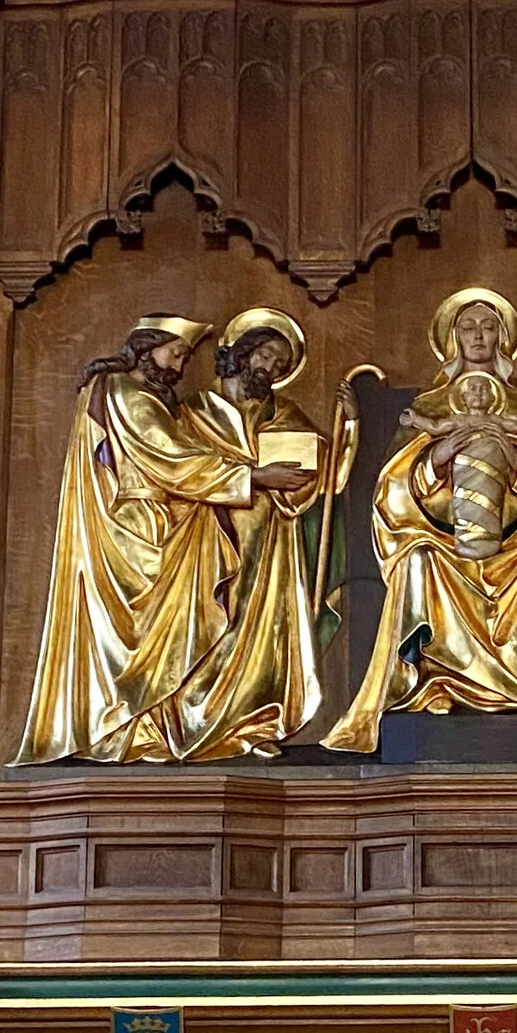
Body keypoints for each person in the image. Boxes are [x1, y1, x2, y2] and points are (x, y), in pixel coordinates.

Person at [19, 315, 310, 762]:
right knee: (149, 630)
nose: (178, 364)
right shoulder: (130, 396)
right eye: (175, 353)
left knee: (171, 631)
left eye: (185, 357)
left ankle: (155, 727)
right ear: (146, 346)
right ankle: (133, 730)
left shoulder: (140, 395)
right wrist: (254, 476)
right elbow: (175, 461)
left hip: (169, 516)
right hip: (141, 527)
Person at [323, 287, 517, 750]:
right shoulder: (429, 408)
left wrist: (512, 461)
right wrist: (440, 456)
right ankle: (434, 682)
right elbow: (393, 484)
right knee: (418, 559)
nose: (478, 335)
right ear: (451, 338)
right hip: (442, 537)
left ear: (504, 338)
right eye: (467, 327)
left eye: (488, 326)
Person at [156, 307, 351, 759]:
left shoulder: (287, 415)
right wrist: (256, 476)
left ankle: (254, 721)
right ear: (239, 354)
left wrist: (352, 425)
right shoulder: (192, 415)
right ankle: (193, 718)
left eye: (279, 365)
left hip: (273, 544)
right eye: (264, 355)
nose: (269, 368)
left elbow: (328, 475)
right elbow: (181, 473)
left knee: (265, 633)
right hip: (209, 539)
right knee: (212, 624)